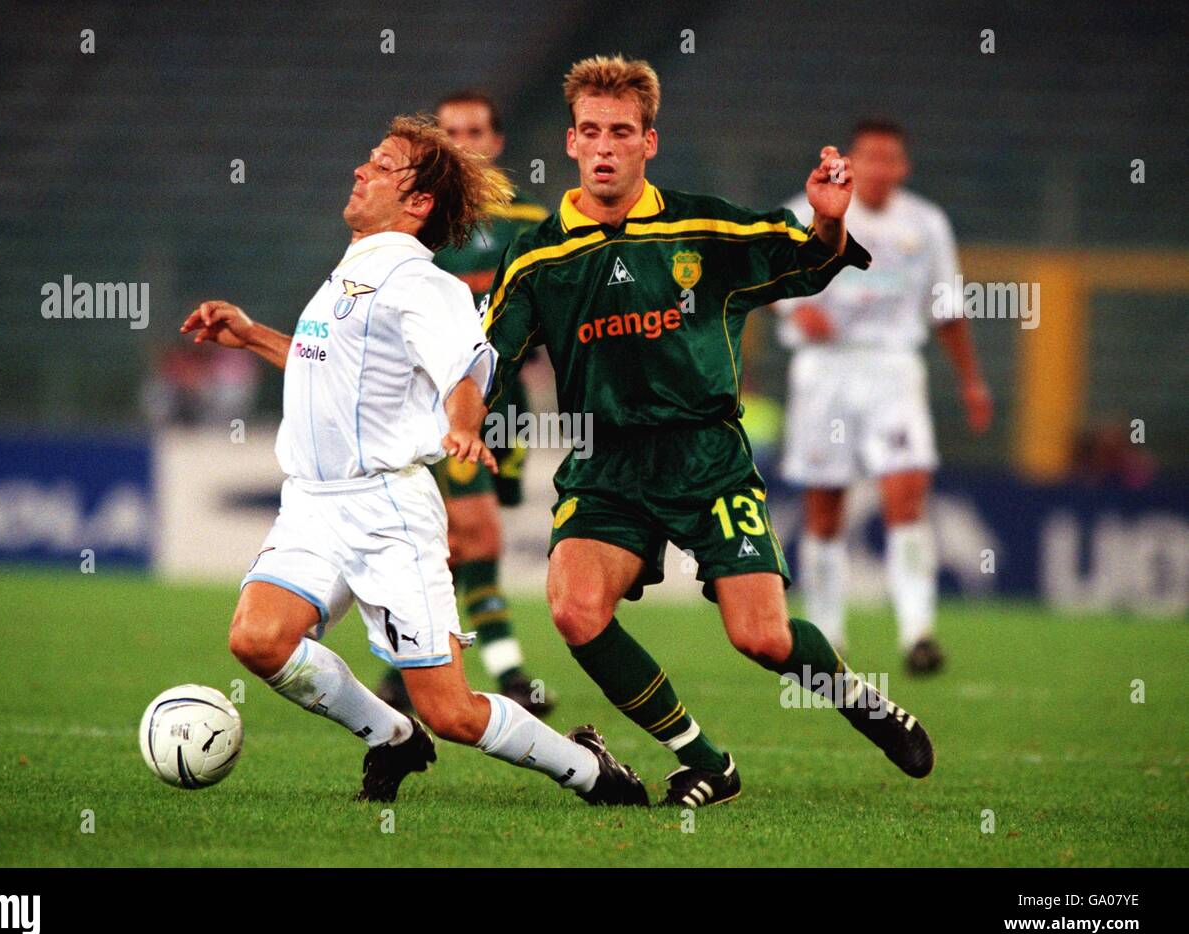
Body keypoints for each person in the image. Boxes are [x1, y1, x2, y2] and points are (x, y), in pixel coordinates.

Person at [483, 55, 934, 809]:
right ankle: (708, 761)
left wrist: (827, 218)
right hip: (607, 464)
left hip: (707, 458)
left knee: (761, 637)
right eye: (590, 131)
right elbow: (484, 358)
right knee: (573, 609)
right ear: (569, 143)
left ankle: (863, 701)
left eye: (620, 132)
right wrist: (470, 426)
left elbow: (807, 261)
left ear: (647, 143)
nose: (604, 146)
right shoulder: (536, 256)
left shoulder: (704, 227)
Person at [180, 115, 647, 807]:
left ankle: (589, 769)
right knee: (258, 639)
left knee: (453, 711)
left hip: (384, 512)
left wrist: (463, 428)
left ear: (418, 202)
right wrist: (252, 337)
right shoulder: (353, 271)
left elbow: (467, 371)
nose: (360, 171)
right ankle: (391, 736)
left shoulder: (422, 284)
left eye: (380, 164)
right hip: (312, 504)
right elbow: (331, 364)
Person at [774, 119, 992, 674]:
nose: (878, 167)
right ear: (852, 159)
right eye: (868, 156)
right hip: (823, 370)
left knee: (907, 496)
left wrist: (971, 380)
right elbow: (763, 278)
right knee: (825, 509)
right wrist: (795, 306)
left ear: (903, 166)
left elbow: (947, 309)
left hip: (893, 368)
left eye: (889, 158)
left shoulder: (926, 223)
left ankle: (918, 632)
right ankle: (827, 636)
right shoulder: (806, 207)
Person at [376, 90, 553, 716]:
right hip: (441, 404)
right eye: (449, 132)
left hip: (509, 408)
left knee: (465, 545)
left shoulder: (532, 220)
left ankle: (399, 665)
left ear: (497, 141)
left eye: (474, 130)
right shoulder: (417, 226)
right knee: (476, 533)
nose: (463, 142)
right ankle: (510, 675)